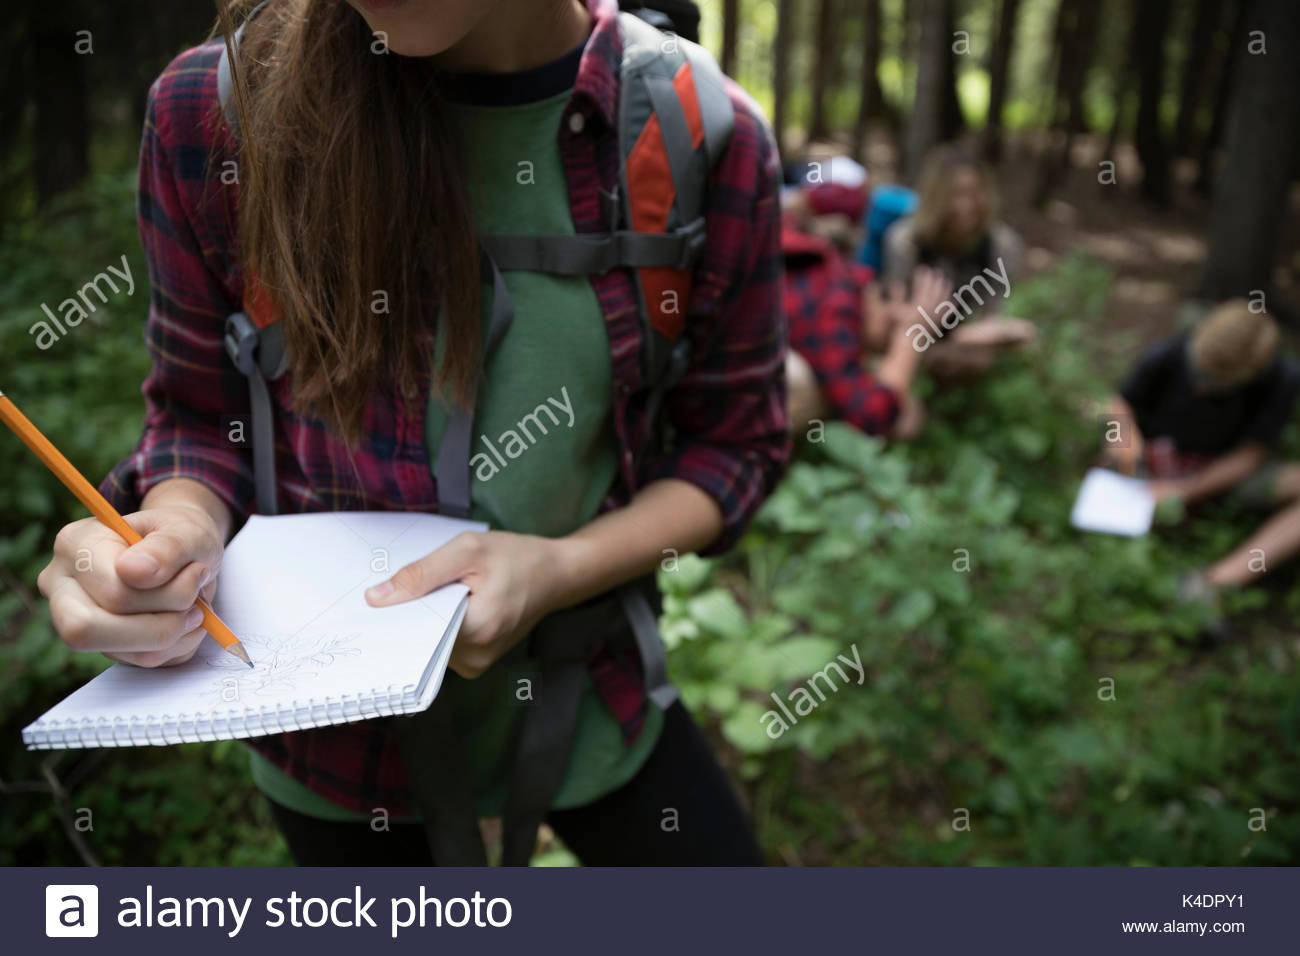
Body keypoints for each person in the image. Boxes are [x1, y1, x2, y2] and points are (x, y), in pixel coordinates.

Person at [35, 0, 786, 866]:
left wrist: (559, 570)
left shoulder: (689, 128)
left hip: (592, 691)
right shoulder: (217, 116)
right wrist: (176, 531)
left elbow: (735, 443)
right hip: (337, 746)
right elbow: (201, 417)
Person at [1105, 301, 1300, 613]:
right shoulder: (1170, 352)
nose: (1201, 388)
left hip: (1220, 478)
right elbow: (1120, 404)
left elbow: (1251, 455)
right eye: (1199, 372)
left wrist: (1185, 491)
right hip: (1151, 468)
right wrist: (1125, 441)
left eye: (1217, 384)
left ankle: (1212, 584)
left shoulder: (1282, 378)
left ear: (1252, 373)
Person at [783, 220, 950, 439]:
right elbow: (871, 415)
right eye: (893, 327)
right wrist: (909, 336)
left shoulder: (834, 274)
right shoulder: (836, 303)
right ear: (892, 297)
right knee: (803, 382)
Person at [882, 143, 1035, 379]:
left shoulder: (1001, 245)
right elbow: (891, 310)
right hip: (910, 338)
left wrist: (978, 334)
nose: (965, 205)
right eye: (955, 194)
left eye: (974, 193)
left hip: (964, 340)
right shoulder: (906, 241)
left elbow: (991, 316)